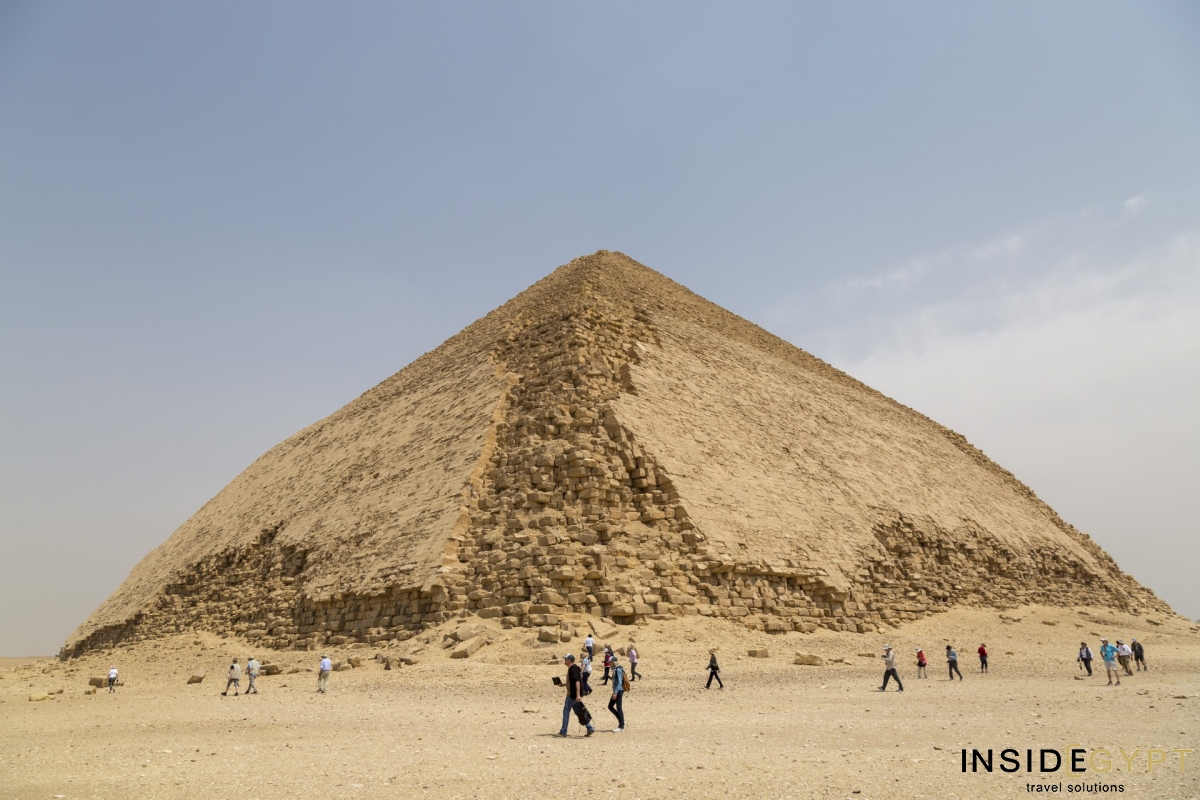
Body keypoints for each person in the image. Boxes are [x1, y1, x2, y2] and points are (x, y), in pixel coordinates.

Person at [559, 654, 595, 737]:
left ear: (569, 660)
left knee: (566, 711)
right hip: (574, 694)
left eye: (565, 659)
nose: (564, 661)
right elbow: (572, 682)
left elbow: (577, 681)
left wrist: (578, 694)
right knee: (578, 711)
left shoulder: (572, 669)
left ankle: (563, 731)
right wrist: (563, 684)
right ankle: (590, 728)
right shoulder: (573, 669)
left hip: (572, 694)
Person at [608, 655, 626, 732]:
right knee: (610, 706)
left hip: (618, 691)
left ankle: (621, 726)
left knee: (619, 708)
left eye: (610, 662)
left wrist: (615, 693)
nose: (609, 664)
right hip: (616, 691)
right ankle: (621, 720)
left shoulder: (618, 670)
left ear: (613, 663)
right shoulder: (615, 669)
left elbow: (619, 682)